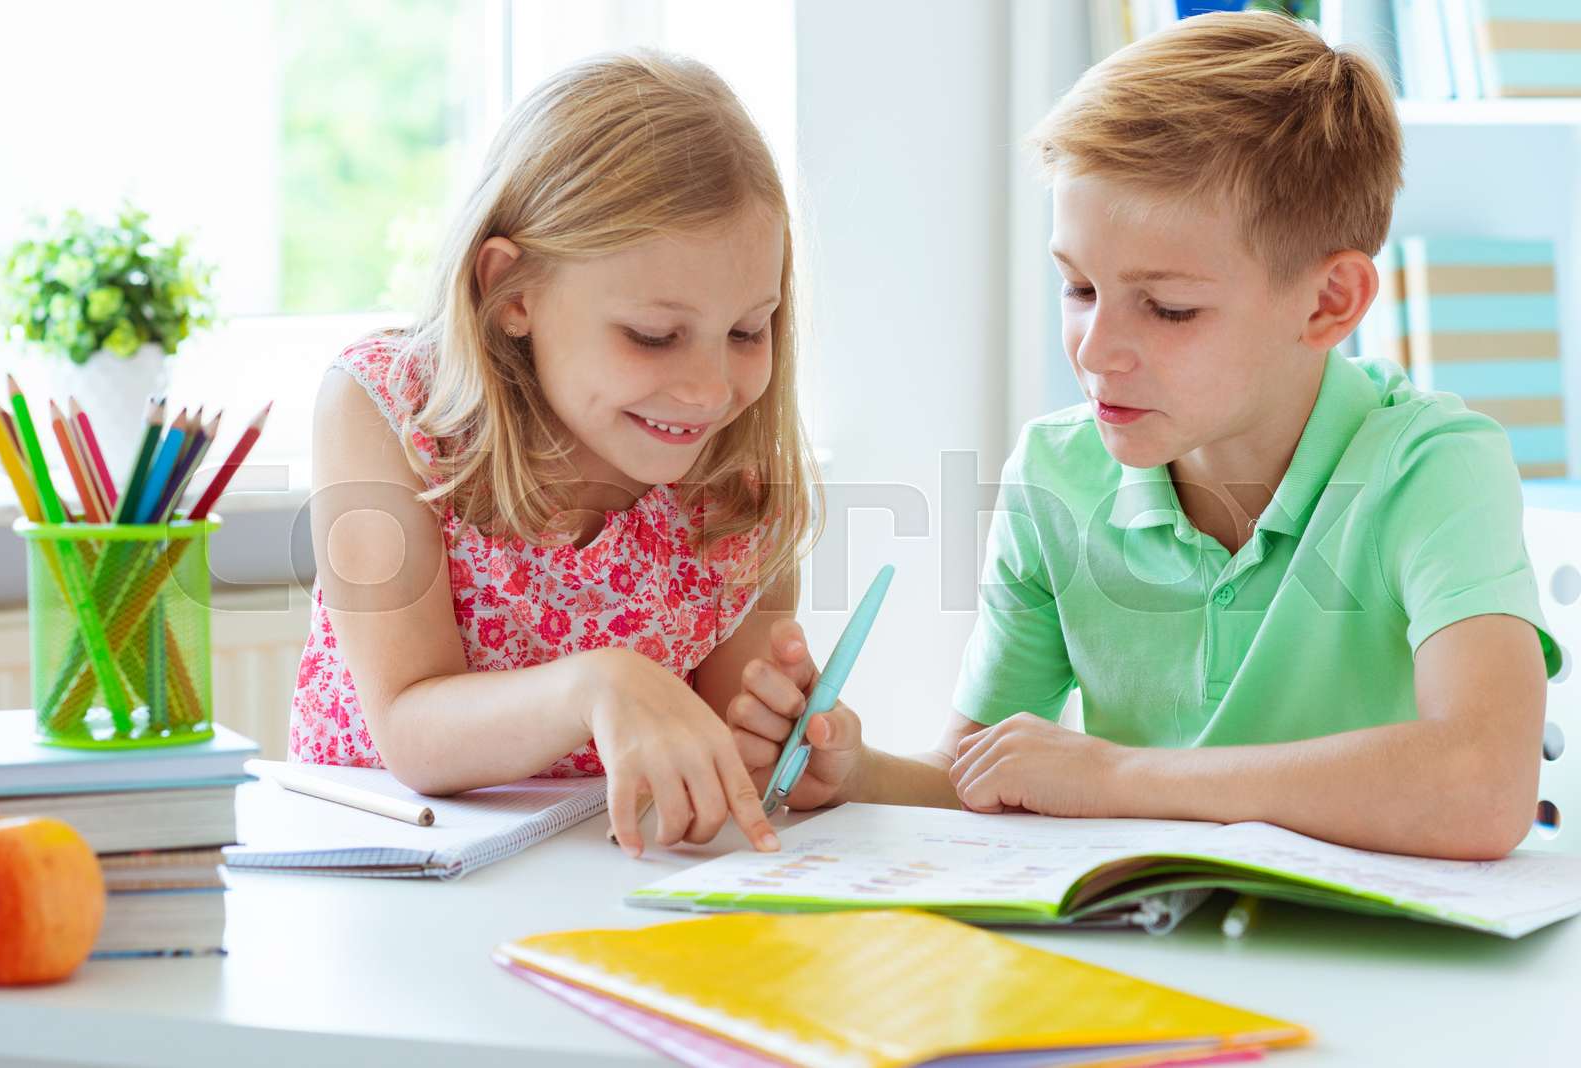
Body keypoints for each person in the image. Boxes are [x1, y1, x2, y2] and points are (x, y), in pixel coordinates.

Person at [731, 12, 1555, 861]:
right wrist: (857, 771)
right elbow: (988, 775)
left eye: (1169, 308)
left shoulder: (1434, 466)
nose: (1095, 351)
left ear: (1328, 304)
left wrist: (1119, 778)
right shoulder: (1055, 475)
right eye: (1079, 287)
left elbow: (1485, 786)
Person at [297, 52, 815, 857]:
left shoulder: (736, 482)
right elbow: (409, 728)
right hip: (382, 882)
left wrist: (788, 749)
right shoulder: (386, 409)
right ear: (513, 294)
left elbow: (731, 757)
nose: (710, 390)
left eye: (749, 332)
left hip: (604, 896)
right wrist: (596, 683)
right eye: (653, 336)